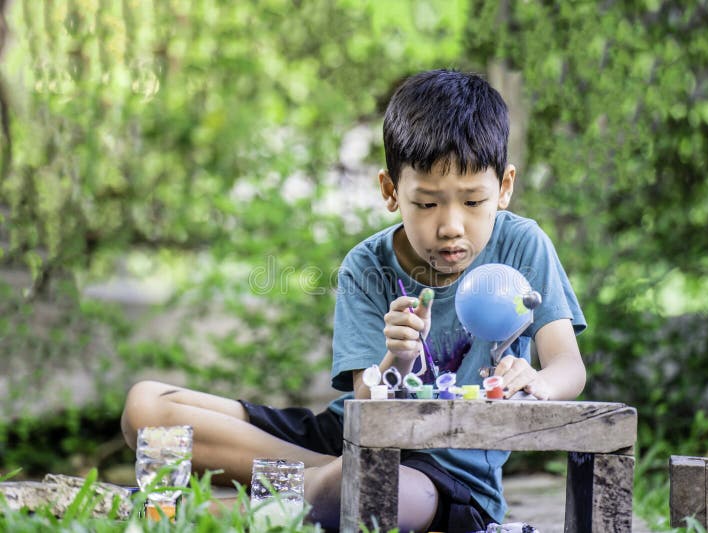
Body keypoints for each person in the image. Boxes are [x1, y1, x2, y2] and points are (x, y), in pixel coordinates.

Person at [121, 69, 587, 532]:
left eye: (472, 201)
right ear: (390, 191)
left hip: (441, 478)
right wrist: (397, 359)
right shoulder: (367, 264)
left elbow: (569, 366)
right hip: (347, 436)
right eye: (427, 203)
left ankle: (180, 513)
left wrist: (538, 382)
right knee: (147, 409)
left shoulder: (523, 245)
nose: (450, 225)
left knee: (370, 484)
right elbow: (366, 399)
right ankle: (314, 485)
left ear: (504, 188)